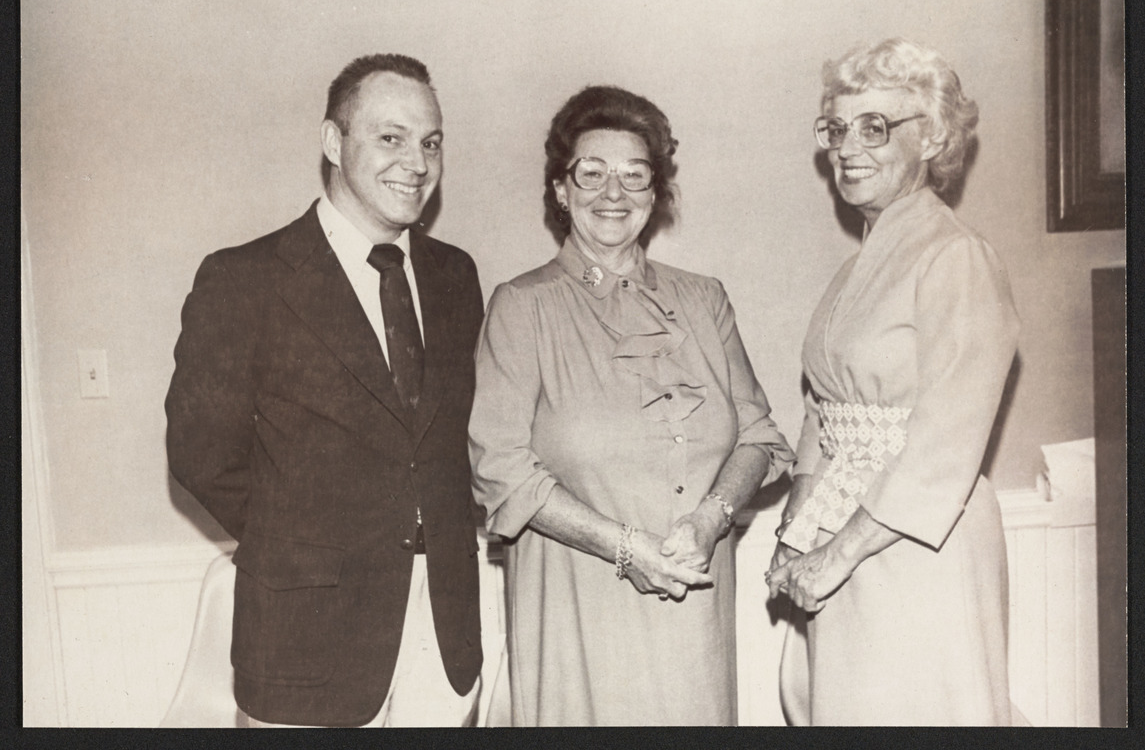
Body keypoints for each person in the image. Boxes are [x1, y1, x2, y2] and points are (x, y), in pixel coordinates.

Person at [165, 53, 484, 727]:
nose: (416, 163)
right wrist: (306, 548)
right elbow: (201, 454)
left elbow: (451, 443)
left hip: (443, 635)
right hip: (305, 641)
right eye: (391, 137)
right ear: (333, 143)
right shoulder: (245, 279)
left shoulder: (455, 276)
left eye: (430, 143)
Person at [468, 85, 795, 726]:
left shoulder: (704, 300)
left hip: (695, 611)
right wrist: (623, 547)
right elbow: (500, 471)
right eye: (591, 173)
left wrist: (712, 518)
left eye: (634, 175)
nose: (612, 193)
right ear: (561, 190)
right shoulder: (521, 306)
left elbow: (759, 437)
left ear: (655, 193)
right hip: (579, 608)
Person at [767, 38, 1019, 725]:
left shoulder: (957, 256)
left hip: (917, 540)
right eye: (836, 128)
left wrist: (838, 553)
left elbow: (946, 443)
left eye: (874, 127)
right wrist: (796, 527)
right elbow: (823, 408)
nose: (847, 148)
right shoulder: (855, 269)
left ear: (931, 137)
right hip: (840, 536)